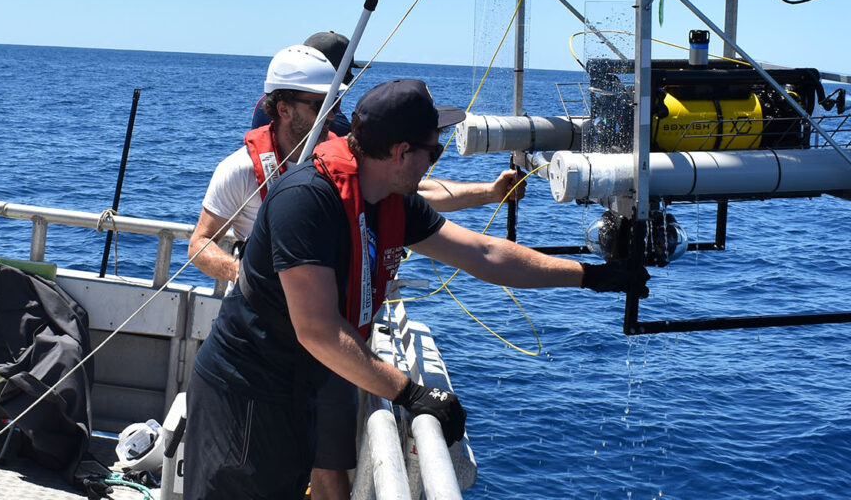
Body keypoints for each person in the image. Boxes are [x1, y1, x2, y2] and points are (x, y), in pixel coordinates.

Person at [183, 78, 649, 500]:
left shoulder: (390, 200)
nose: (435, 160)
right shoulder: (305, 200)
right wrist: (410, 393)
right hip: (246, 394)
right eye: (436, 151)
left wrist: (589, 275)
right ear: (401, 153)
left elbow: (482, 254)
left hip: (300, 388)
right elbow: (318, 330)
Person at [186, 47, 524, 500]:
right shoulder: (243, 170)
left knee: (328, 467)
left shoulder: (344, 159)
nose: (332, 112)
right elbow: (200, 244)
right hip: (276, 348)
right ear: (283, 107)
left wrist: (488, 193)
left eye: (336, 102)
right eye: (317, 103)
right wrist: (257, 274)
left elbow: (410, 188)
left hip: (328, 350)